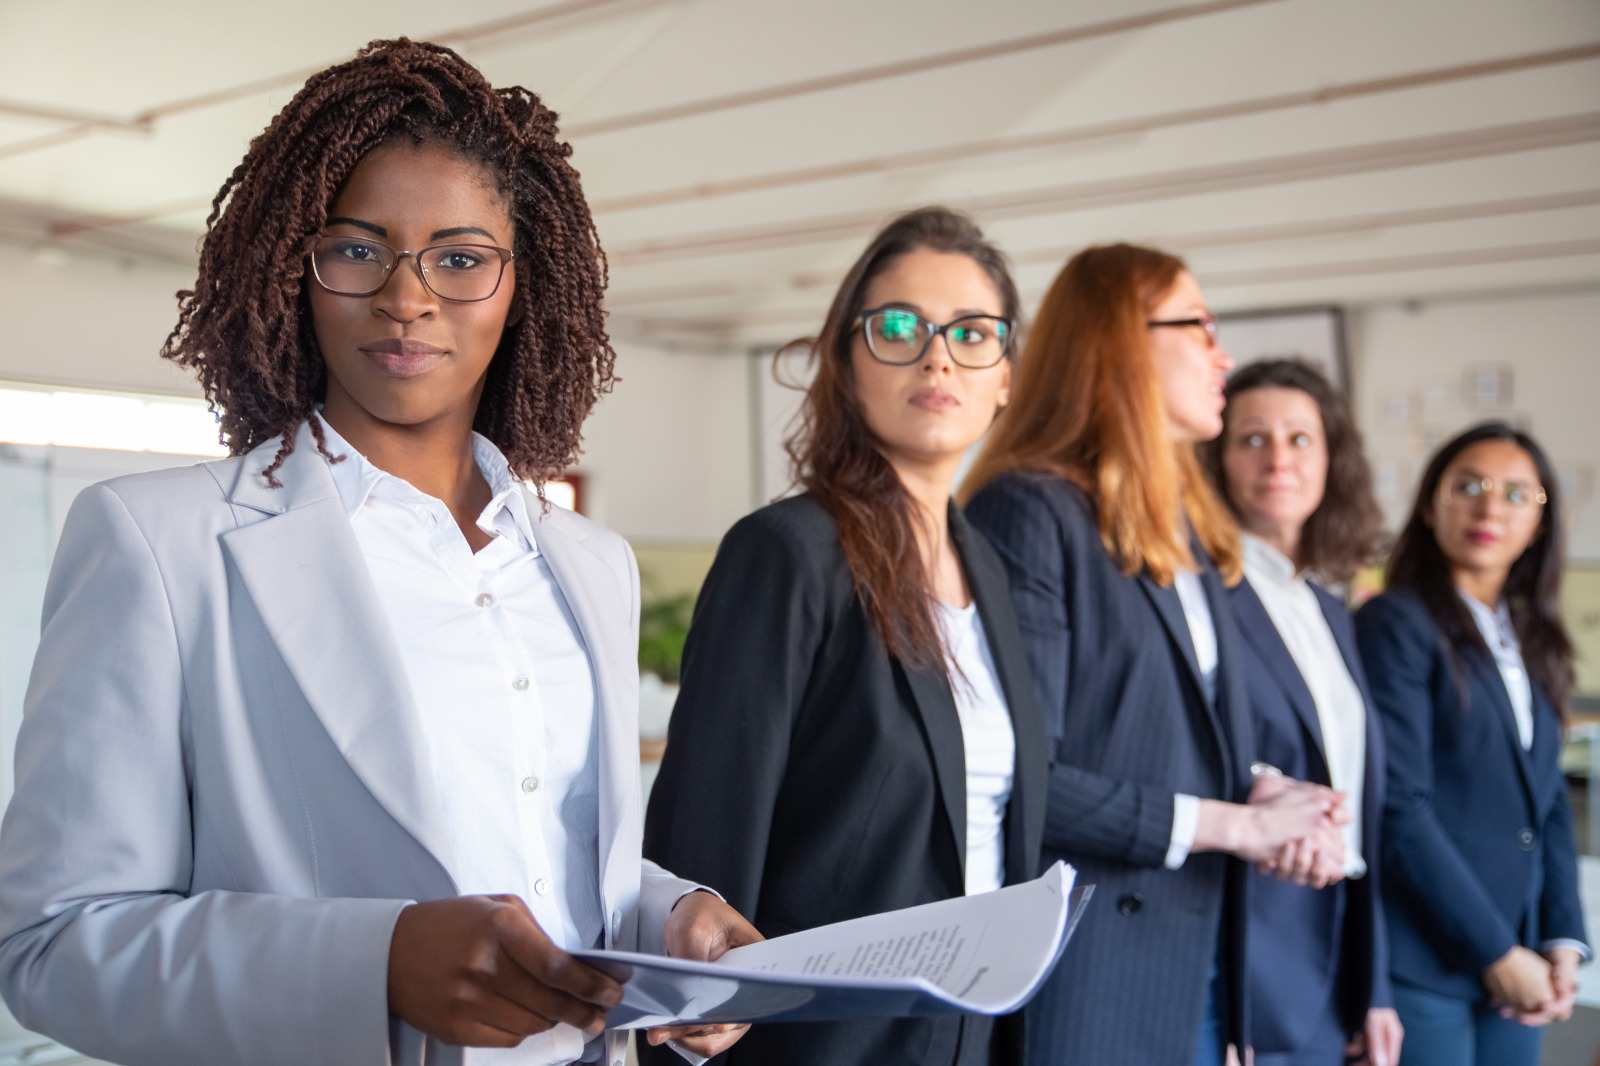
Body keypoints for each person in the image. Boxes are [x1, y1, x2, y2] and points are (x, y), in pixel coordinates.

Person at [0, 39, 759, 1066]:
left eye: (461, 258)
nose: (408, 297)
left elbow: (555, 851)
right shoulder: (160, 543)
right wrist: (376, 961)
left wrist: (670, 916)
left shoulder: (591, 563)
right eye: (357, 250)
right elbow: (52, 944)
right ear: (294, 268)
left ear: (521, 285)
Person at [640, 207, 1048, 1066]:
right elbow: (708, 825)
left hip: (971, 1034)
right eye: (898, 327)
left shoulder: (989, 566)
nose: (937, 356)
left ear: (1006, 374)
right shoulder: (788, 553)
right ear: (847, 358)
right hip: (823, 1043)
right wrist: (695, 1007)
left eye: (972, 332)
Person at [962, 245, 1349, 1066]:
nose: (1223, 355)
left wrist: (1268, 792)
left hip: (1202, 963)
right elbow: (1027, 782)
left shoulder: (1190, 530)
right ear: (1122, 344)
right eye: (1199, 326)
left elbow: (1166, 740)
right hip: (1096, 977)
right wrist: (1237, 824)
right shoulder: (1030, 511)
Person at [1355, 422, 1590, 1066]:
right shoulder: (1395, 623)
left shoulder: (1534, 640)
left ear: (1539, 523)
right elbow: (1397, 804)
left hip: (1521, 959)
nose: (1490, 509)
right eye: (1468, 487)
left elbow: (1547, 802)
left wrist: (1562, 939)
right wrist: (1496, 953)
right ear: (1431, 505)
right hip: (1427, 957)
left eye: (1516, 494)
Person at [1201, 359, 1402, 1066]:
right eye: (1252, 438)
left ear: (1331, 460)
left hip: (1335, 969)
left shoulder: (1327, 607)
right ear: (1216, 459)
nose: (1278, 458)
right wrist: (1221, 1016)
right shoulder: (1198, 592)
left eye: (1300, 438)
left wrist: (1374, 986)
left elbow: (1358, 805)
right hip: (1245, 971)